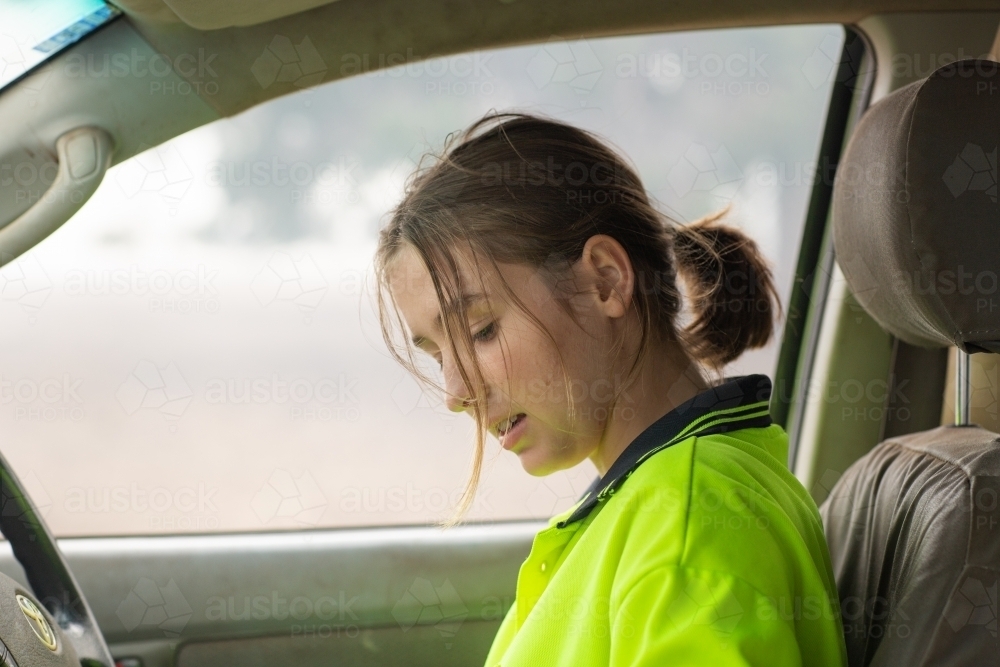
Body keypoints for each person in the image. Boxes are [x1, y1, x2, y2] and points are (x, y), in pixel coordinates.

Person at [373, 111, 848, 667]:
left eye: (481, 330)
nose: (455, 392)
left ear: (605, 280)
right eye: (437, 356)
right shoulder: (652, 503)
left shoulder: (687, 529)